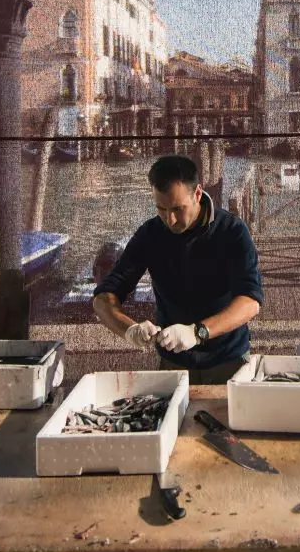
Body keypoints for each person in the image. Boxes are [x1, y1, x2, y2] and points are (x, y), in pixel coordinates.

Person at [92, 154, 263, 383]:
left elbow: (250, 302)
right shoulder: (150, 234)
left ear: (198, 194)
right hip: (174, 362)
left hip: (228, 360)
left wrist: (198, 332)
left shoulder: (232, 231)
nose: (170, 220)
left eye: (177, 209)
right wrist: (129, 329)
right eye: (161, 209)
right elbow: (103, 299)